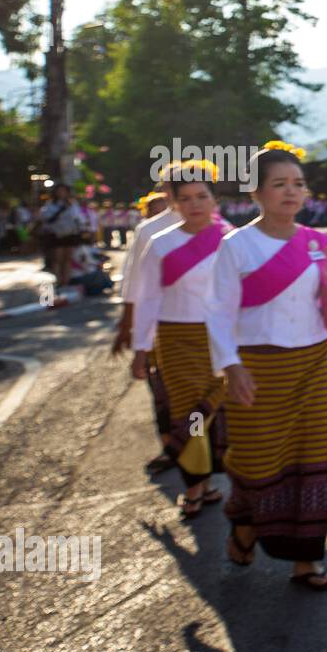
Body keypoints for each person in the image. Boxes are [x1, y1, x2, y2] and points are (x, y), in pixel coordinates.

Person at [206, 141, 327, 590]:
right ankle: (244, 526)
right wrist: (232, 367)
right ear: (256, 193)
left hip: (311, 367)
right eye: (279, 184)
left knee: (310, 462)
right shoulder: (237, 247)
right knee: (257, 462)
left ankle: (306, 561)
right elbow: (219, 314)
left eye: (298, 184)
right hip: (257, 370)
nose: (291, 192)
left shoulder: (317, 244)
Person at [130, 160, 230, 517]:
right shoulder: (158, 243)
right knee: (187, 411)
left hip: (219, 340)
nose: (195, 204)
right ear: (173, 201)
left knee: (210, 410)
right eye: (185, 198)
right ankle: (194, 486)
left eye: (202, 196)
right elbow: (147, 300)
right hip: (174, 340)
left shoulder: (230, 239)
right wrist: (141, 349)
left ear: (214, 198)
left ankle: (202, 474)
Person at [113, 169, 181, 475]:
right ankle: (170, 447)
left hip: (203, 334)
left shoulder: (217, 229)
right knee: (163, 391)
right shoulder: (149, 231)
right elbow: (133, 285)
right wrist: (126, 328)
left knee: (202, 399)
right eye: (175, 185)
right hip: (158, 329)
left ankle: (198, 465)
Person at [39, 184, 86, 287]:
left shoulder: (72, 204)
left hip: (70, 233)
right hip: (56, 234)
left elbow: (78, 218)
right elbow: (47, 218)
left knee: (68, 258)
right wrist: (62, 210)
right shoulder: (51, 204)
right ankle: (58, 279)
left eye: (63, 191)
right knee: (57, 258)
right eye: (59, 191)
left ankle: (66, 280)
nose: (61, 193)